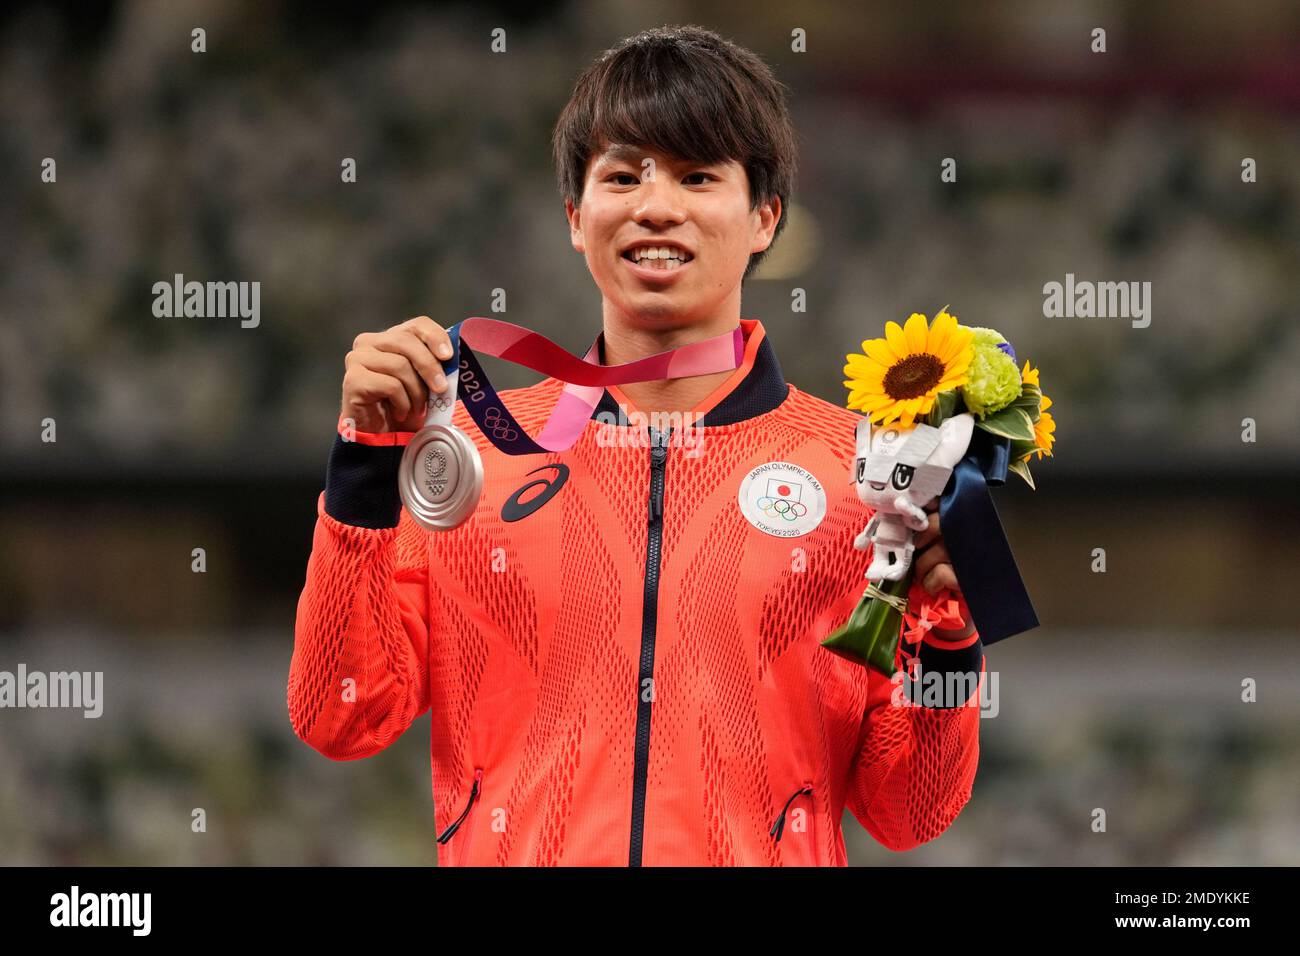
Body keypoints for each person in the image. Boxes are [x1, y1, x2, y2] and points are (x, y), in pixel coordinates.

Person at [289, 24, 984, 866]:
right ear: (578, 219)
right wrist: (363, 469)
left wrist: (950, 640)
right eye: (622, 176)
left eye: (698, 176)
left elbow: (912, 811)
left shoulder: (865, 479)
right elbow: (339, 716)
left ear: (764, 217)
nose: (657, 205)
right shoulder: (469, 458)